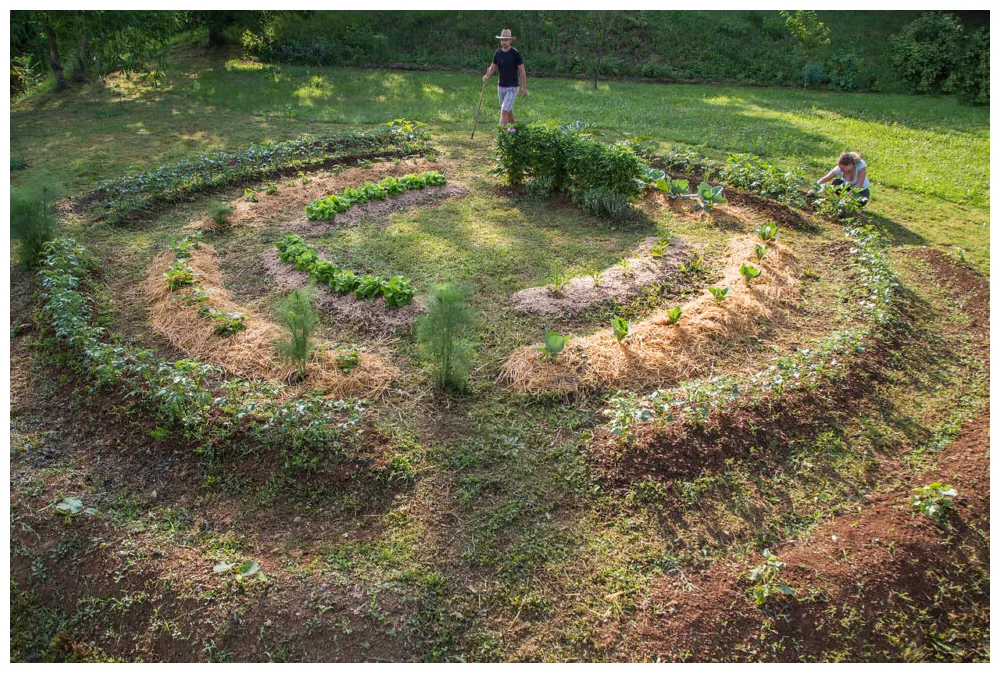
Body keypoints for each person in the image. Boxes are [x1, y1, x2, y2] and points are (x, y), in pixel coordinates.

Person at [483, 28, 527, 129]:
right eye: (502, 40)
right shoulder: (498, 53)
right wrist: (487, 76)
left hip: (512, 87)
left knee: (504, 111)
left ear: (510, 41)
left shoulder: (515, 54)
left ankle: (500, 136)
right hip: (501, 86)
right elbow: (493, 66)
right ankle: (514, 130)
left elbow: (522, 71)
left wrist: (524, 88)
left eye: (506, 40)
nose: (504, 42)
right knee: (508, 109)